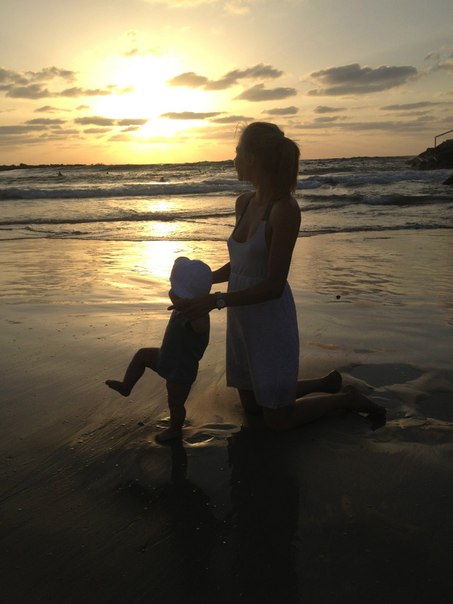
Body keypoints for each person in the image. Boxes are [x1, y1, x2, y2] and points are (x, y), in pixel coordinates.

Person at [170, 122, 386, 431]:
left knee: (276, 420)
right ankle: (323, 383)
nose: (233, 159)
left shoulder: (285, 210)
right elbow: (241, 265)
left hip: (269, 318)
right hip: (241, 316)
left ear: (253, 158)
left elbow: (273, 285)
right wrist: (195, 287)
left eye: (238, 152)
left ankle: (345, 399)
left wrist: (215, 301)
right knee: (253, 406)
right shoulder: (244, 203)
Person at [106, 256, 212, 442]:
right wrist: (181, 301)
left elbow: (201, 328)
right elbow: (172, 292)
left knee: (175, 402)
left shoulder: (199, 312)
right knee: (142, 355)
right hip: (167, 355)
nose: (174, 293)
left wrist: (191, 312)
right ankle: (126, 386)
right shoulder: (180, 301)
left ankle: (175, 430)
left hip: (182, 367)